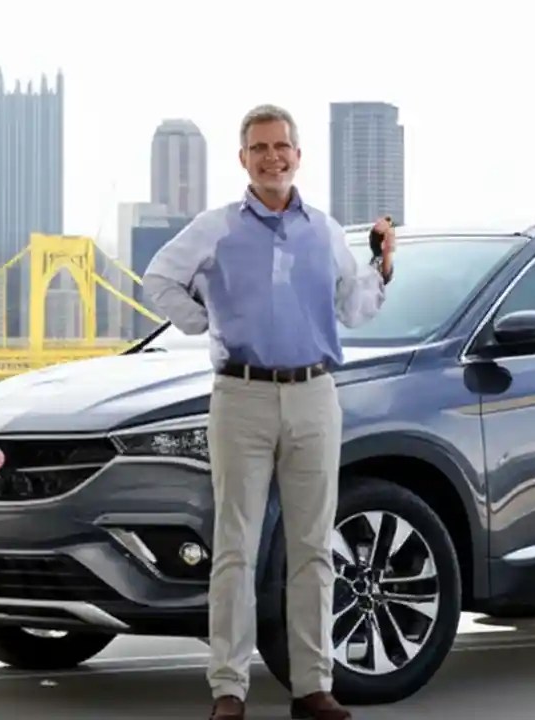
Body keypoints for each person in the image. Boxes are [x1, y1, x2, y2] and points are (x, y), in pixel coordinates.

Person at [142, 103, 394, 720]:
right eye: (259, 148)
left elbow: (355, 308)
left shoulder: (325, 230)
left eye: (282, 146)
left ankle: (313, 686)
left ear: (298, 156)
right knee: (236, 547)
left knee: (312, 547)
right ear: (243, 160)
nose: (272, 157)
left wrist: (382, 266)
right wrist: (203, 318)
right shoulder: (218, 227)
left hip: (314, 395)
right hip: (241, 396)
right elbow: (158, 278)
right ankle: (229, 689)